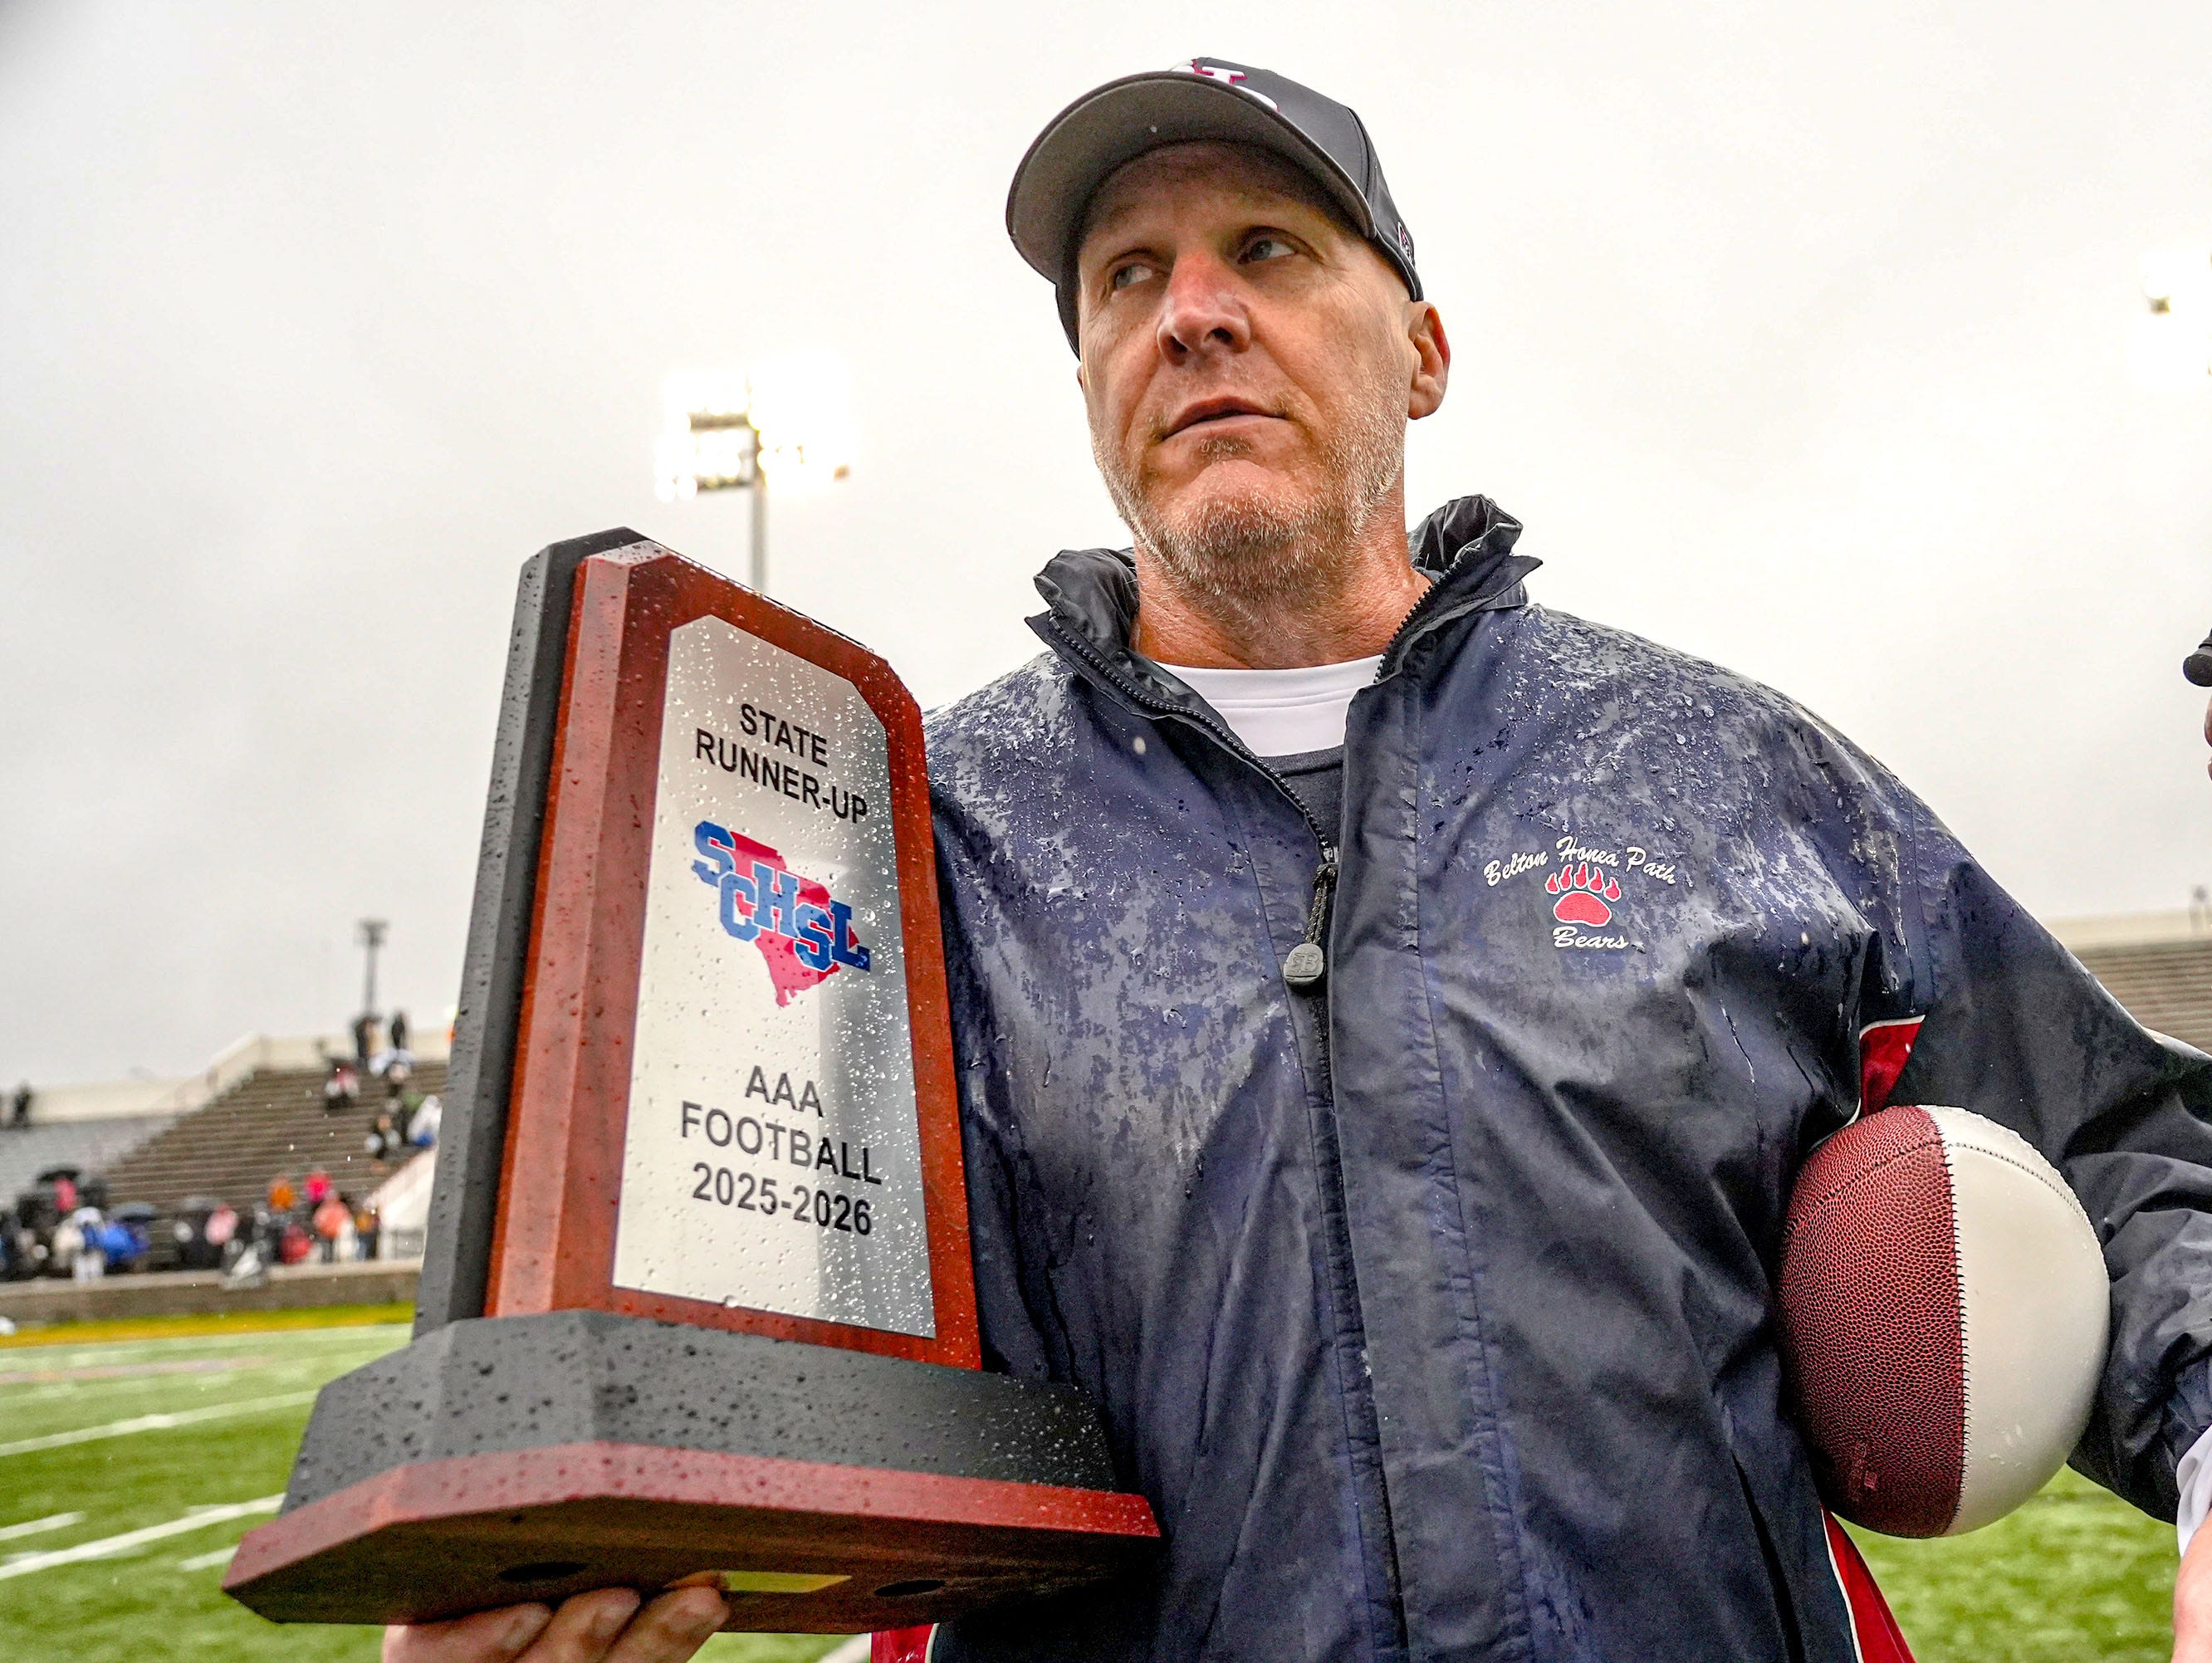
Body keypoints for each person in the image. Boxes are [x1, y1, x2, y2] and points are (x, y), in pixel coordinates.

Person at [390, 58, 2212, 1663]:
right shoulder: (904, 833)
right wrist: (552, 1537)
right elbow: (746, 1314)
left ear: (1420, 348)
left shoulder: (1721, 770)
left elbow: (2114, 1150)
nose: (1192, 313)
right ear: (1093, 375)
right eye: (1127, 278)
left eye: (1266, 249)